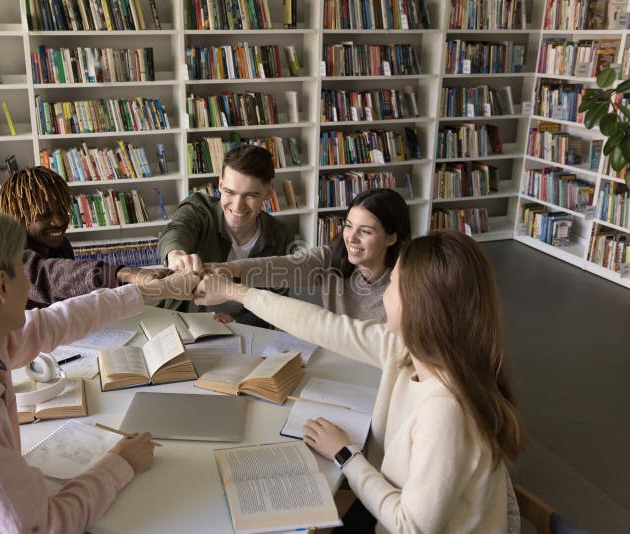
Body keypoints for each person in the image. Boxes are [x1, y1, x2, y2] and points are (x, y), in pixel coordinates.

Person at [0, 211, 199, 532]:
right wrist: (121, 463)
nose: (29, 281)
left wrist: (155, 290)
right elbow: (44, 526)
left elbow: (57, 321)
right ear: (1, 286)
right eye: (21, 269)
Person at [192, 231, 524, 533]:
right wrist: (237, 292)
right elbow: (322, 325)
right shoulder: (411, 349)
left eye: (392, 283)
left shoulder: (445, 410)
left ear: (419, 305)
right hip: (386, 503)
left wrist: (345, 455)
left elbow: (412, 528)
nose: (383, 293)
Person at [207, 188, 410, 322]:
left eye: (365, 231)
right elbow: (284, 267)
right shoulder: (330, 259)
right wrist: (230, 269)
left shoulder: (406, 283)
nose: (351, 238)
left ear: (391, 238)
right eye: (349, 226)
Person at [157, 144, 296, 325]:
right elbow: (176, 230)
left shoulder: (282, 236)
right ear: (221, 185)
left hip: (246, 333)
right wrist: (175, 254)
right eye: (230, 192)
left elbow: (276, 304)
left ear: (268, 192)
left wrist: (238, 321)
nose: (237, 207)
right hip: (186, 322)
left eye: (250, 195)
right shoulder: (198, 208)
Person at [0, 166, 168, 308]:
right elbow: (51, 277)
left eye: (63, 210)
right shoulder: (7, 254)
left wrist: (141, 282)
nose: (59, 221)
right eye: (44, 215)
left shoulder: (61, 246)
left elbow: (74, 289)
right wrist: (124, 273)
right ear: (18, 218)